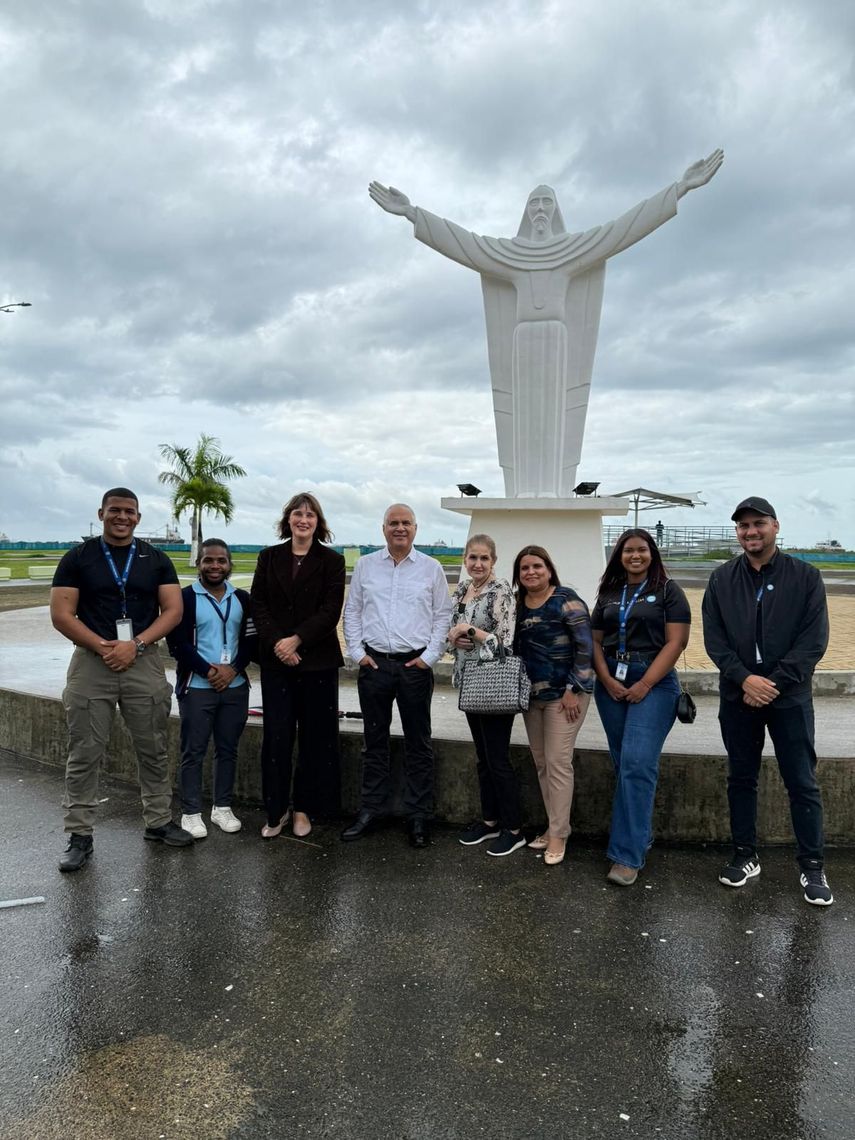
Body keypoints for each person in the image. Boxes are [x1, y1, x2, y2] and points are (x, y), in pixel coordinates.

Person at [369, 150, 723, 497]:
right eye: (534, 204)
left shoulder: (572, 250)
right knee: (523, 417)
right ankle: (524, 490)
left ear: (555, 211)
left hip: (556, 338)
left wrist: (679, 188)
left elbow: (623, 230)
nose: (540, 210)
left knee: (554, 416)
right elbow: (466, 244)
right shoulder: (509, 255)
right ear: (526, 212)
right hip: (523, 340)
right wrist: (412, 213)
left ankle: (551, 489)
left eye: (546, 204)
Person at [50, 487, 191, 871]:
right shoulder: (78, 558)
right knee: (84, 751)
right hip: (92, 662)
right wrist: (105, 646)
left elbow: (173, 610)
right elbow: (62, 614)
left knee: (154, 747)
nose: (122, 517)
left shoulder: (155, 559)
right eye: (115, 510)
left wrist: (138, 644)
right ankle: (80, 835)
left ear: (139, 517)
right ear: (101, 513)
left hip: (142, 660)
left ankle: (158, 821)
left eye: (130, 511)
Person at [702, 497, 832, 906]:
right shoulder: (722, 579)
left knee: (802, 782)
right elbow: (715, 640)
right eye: (743, 526)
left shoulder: (805, 577)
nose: (750, 532)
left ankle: (812, 867)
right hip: (737, 696)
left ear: (775, 526)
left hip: (789, 697)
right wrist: (745, 679)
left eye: (758, 524)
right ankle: (745, 855)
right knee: (741, 778)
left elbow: (814, 642)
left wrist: (770, 683)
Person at [342, 503, 452, 848]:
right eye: (393, 523)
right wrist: (358, 654)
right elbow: (353, 611)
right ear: (384, 528)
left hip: (414, 668)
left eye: (406, 523)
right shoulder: (365, 566)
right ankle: (371, 809)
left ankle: (418, 815)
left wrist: (429, 657)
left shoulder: (431, 569)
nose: (399, 528)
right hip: (374, 666)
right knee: (374, 742)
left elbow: (442, 616)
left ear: (415, 529)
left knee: (419, 743)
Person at [591, 529, 691, 886]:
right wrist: (606, 680)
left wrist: (645, 683)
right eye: (628, 550)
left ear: (652, 553)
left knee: (636, 764)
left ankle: (626, 856)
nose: (635, 555)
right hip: (612, 682)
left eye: (642, 550)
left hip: (655, 682)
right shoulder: (609, 592)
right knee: (625, 764)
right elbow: (595, 641)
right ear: (619, 555)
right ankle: (639, 834)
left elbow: (677, 642)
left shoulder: (668, 590)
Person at [251, 493, 345, 840]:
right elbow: (258, 604)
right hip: (277, 662)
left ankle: (304, 808)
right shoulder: (268, 557)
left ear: (318, 522)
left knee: (314, 739)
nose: (303, 520)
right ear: (287, 519)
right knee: (276, 738)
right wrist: (279, 643)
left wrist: (297, 640)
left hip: (317, 662)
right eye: (297, 514)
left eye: (310, 515)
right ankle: (276, 810)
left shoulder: (331, 561)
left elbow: (330, 610)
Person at [167, 539, 256, 839]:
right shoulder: (185, 598)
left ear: (230, 564)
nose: (215, 566)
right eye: (209, 560)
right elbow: (177, 645)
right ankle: (191, 812)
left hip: (235, 686)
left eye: (221, 561)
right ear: (199, 564)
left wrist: (232, 670)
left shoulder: (242, 598)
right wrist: (208, 670)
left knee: (228, 749)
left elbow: (251, 643)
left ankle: (222, 808)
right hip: (198, 686)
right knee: (193, 751)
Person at [513, 545, 593, 865]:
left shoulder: (566, 600)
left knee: (559, 762)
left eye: (537, 566)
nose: (531, 572)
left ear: (549, 569)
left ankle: (559, 835)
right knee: (542, 763)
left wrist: (574, 688)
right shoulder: (518, 606)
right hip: (531, 698)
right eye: (524, 568)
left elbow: (586, 649)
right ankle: (553, 825)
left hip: (566, 696)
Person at [448, 535, 524, 857]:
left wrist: (469, 633)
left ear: (494, 561)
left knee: (497, 759)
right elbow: (451, 629)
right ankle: (490, 820)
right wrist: (456, 640)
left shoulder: (501, 591)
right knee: (483, 758)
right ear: (465, 559)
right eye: (472, 558)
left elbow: (503, 642)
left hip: (492, 683)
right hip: (468, 681)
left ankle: (514, 828)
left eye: (484, 559)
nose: (477, 564)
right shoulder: (464, 588)